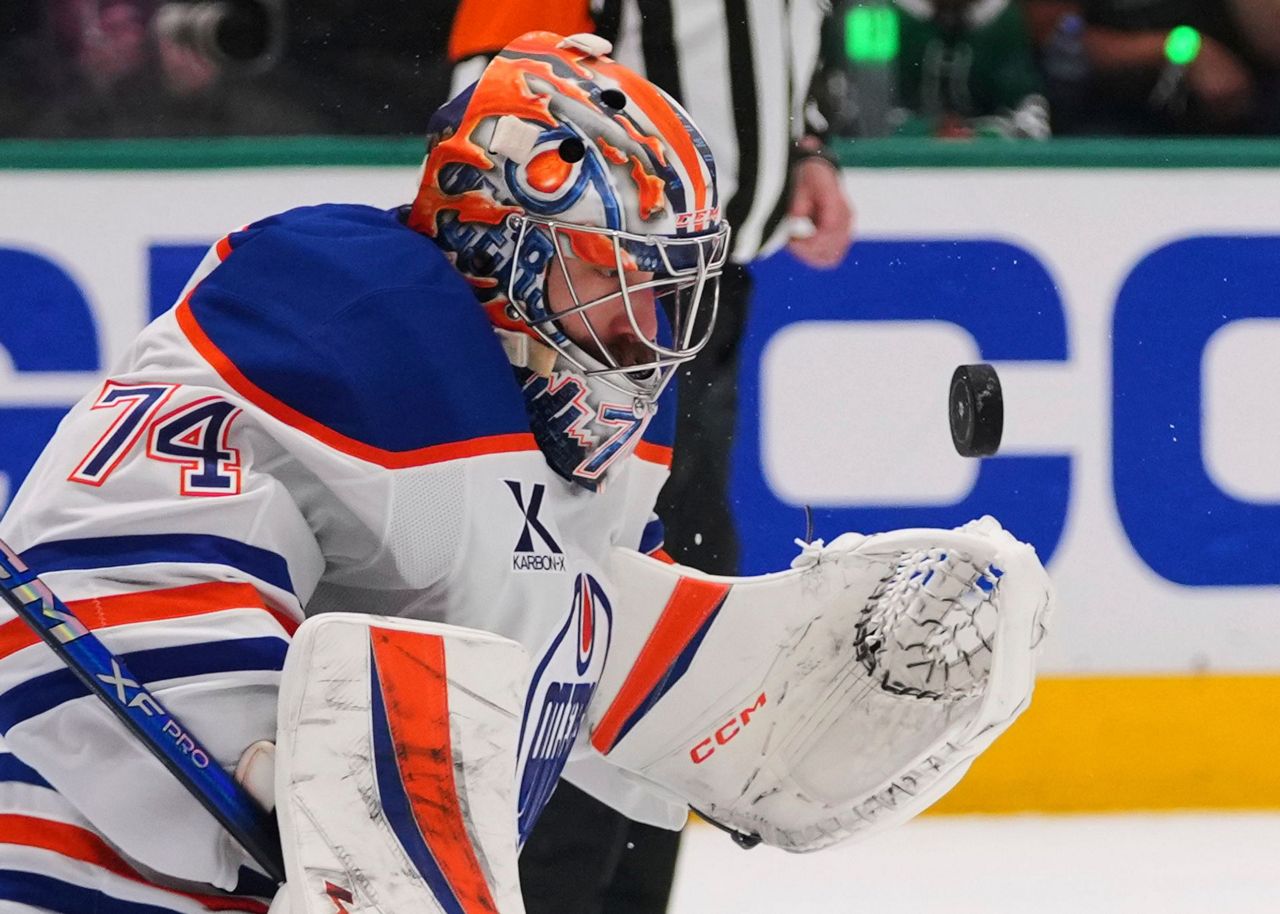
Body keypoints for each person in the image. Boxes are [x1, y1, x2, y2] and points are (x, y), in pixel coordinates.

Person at [0, 31, 728, 913]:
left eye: (664, 285)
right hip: (89, 876)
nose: (642, 323)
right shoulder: (350, 313)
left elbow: (575, 644)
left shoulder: (597, 407)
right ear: (500, 246)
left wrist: (766, 689)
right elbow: (106, 560)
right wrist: (289, 767)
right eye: (612, 274)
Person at [447, 5, 855, 913]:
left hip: (698, 283)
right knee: (579, 586)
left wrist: (803, 145)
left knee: (681, 581)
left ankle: (617, 894)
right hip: (581, 290)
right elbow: (492, 97)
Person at [1022, 0, 1280, 134]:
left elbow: (1273, 42)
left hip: (1242, 101)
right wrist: (1177, 48)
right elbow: (1053, 34)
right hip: (1111, 108)